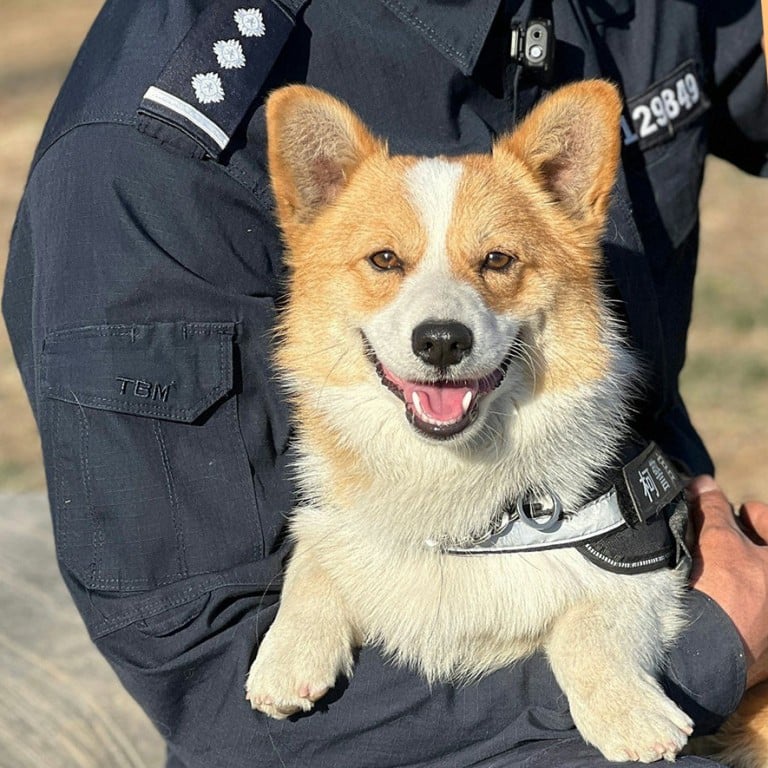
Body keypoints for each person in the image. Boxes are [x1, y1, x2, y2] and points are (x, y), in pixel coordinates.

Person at [3, 1, 767, 766]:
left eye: (496, 262)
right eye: (386, 263)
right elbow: (214, 682)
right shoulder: (146, 156)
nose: (441, 325)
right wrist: (710, 643)